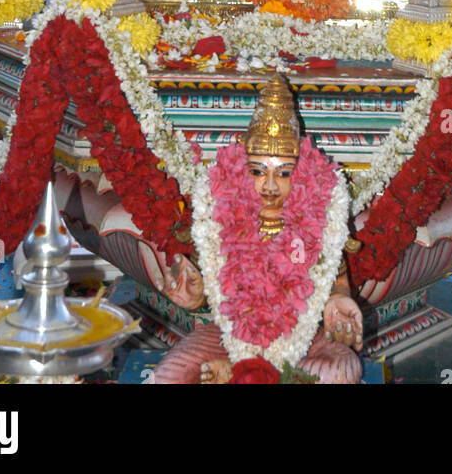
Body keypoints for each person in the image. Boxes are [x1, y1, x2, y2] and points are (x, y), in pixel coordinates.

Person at [146, 76, 363, 384]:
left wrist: (339, 299)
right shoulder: (220, 210)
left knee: (341, 370)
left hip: (301, 336)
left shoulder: (320, 214)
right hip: (231, 338)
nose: (270, 186)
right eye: (258, 171)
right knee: (167, 375)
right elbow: (213, 292)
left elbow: (336, 280)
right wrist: (195, 296)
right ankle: (252, 372)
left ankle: (246, 376)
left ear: (299, 174)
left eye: (284, 173)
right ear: (242, 169)